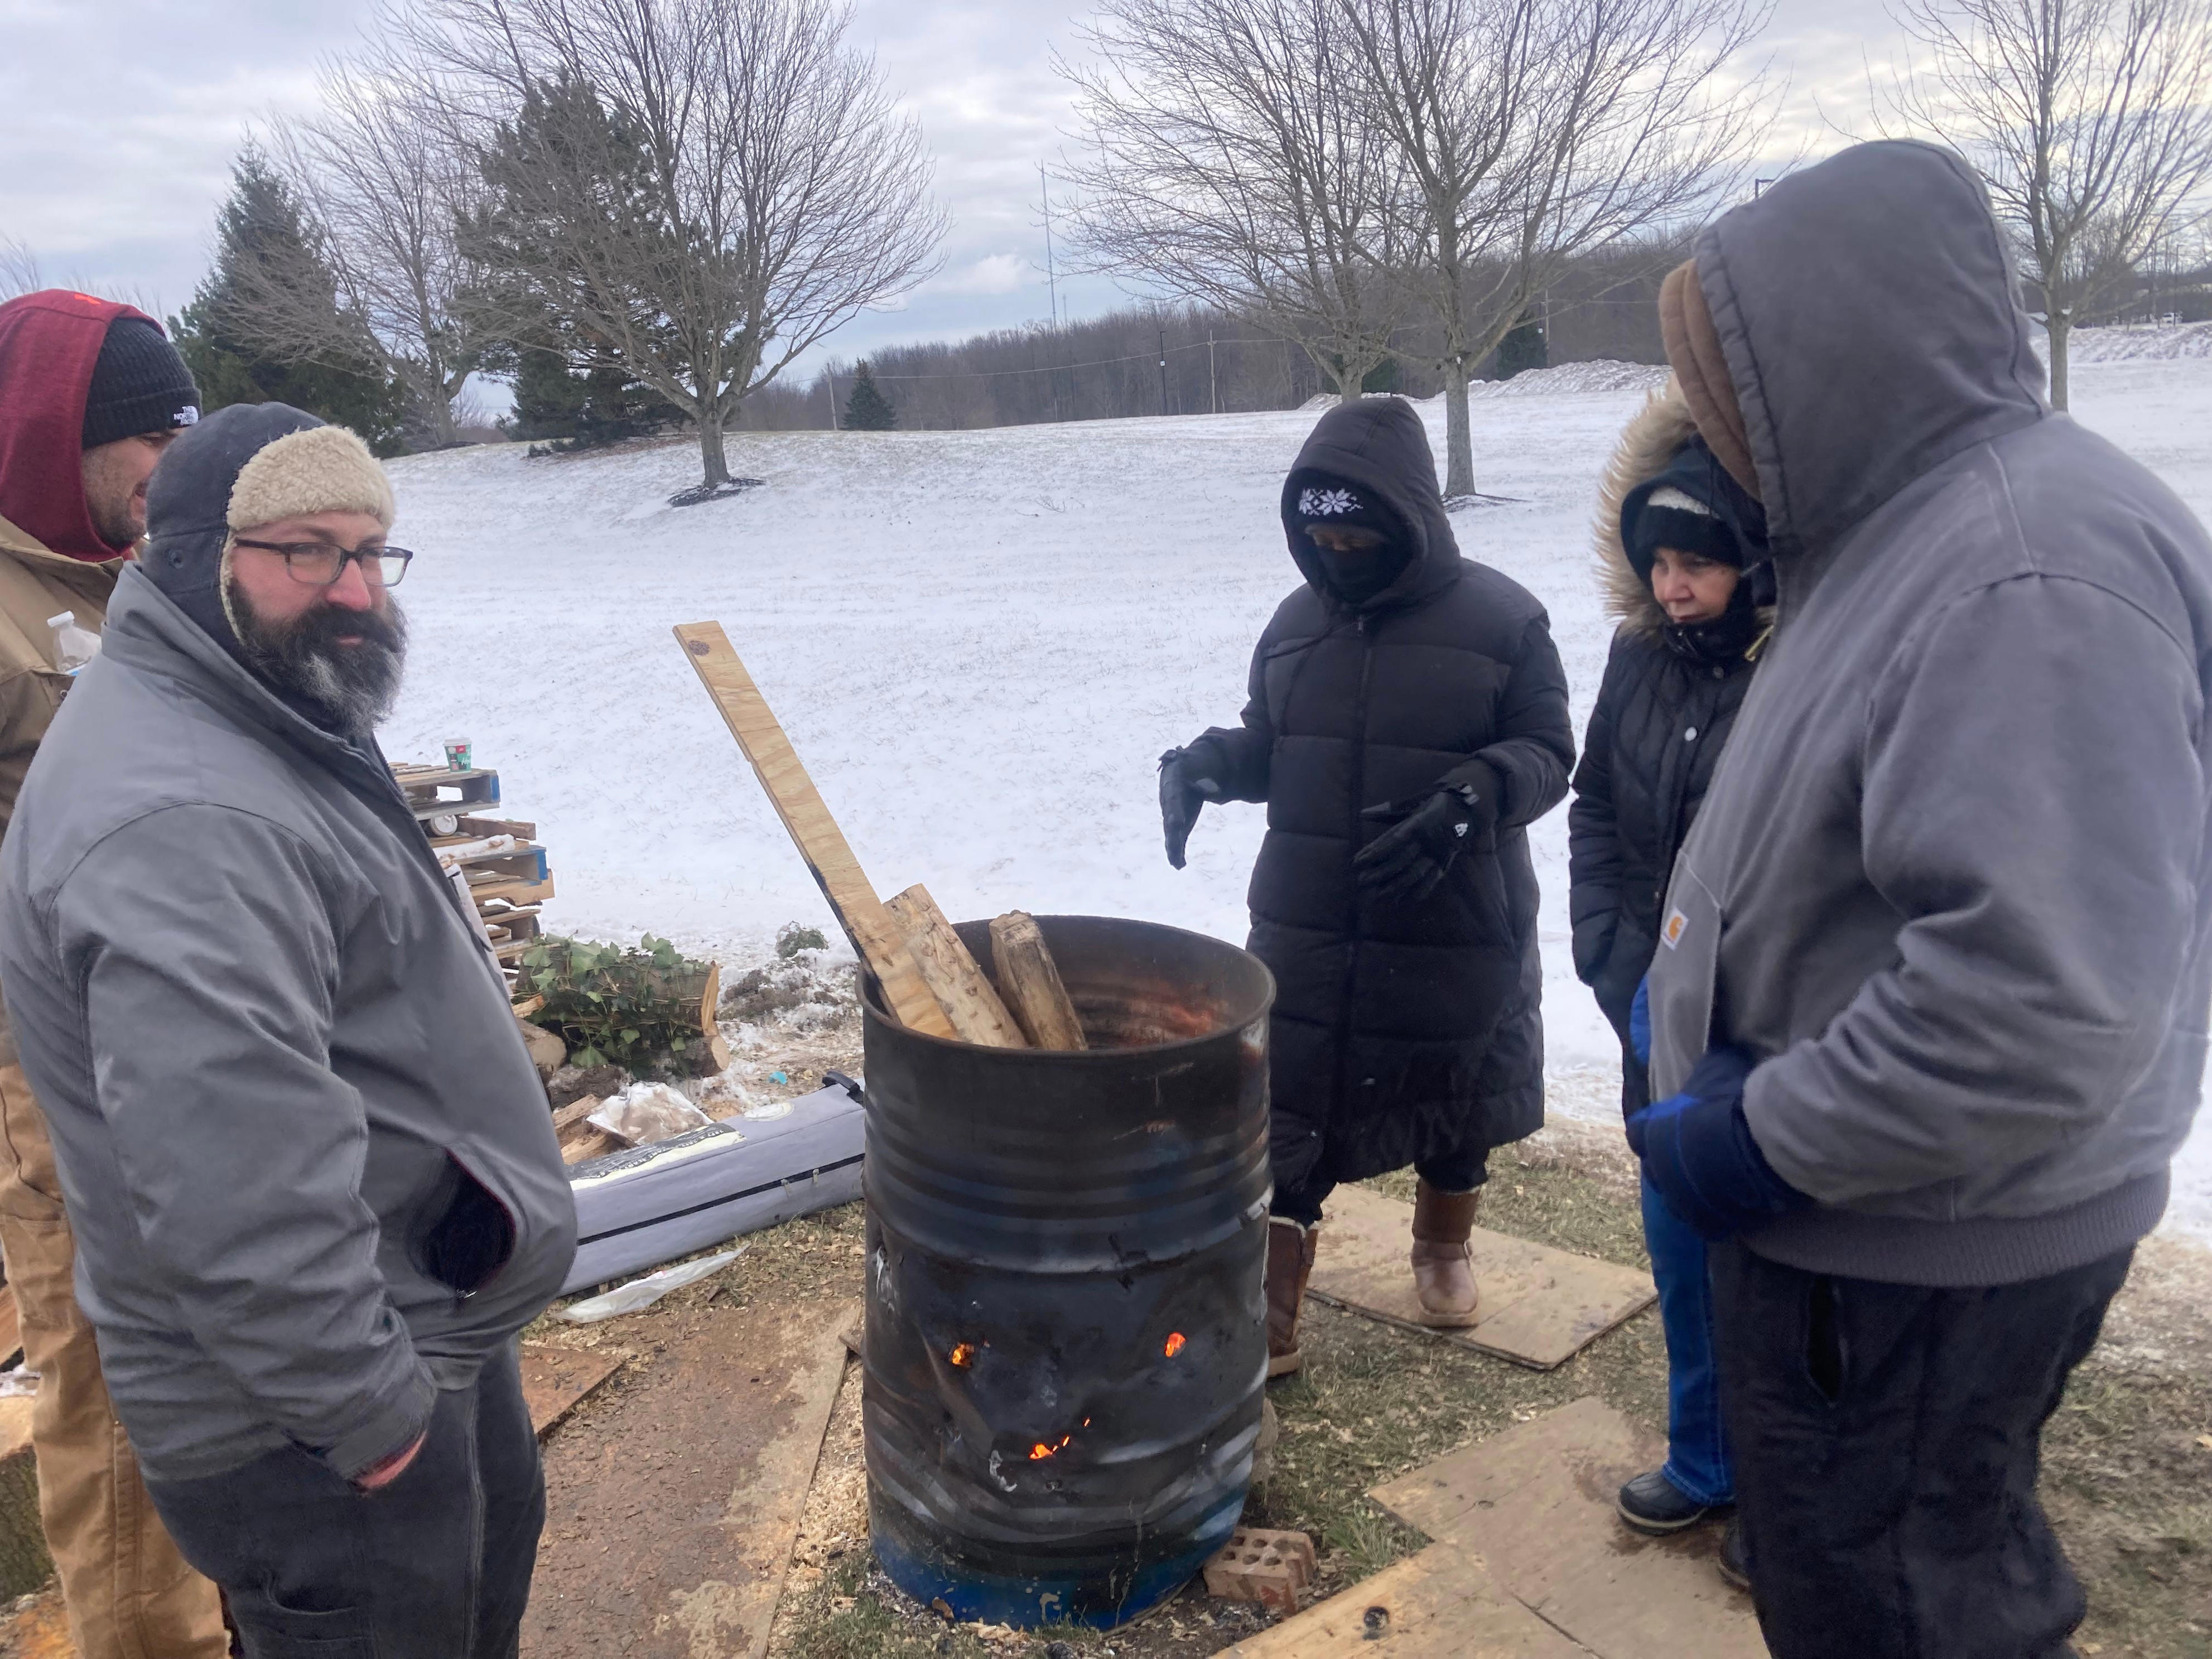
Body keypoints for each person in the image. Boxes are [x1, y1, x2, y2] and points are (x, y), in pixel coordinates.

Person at [1636, 139, 2212, 1658]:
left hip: (1914, 1243)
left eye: (1726, 379)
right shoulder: (1907, 528)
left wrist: (1759, 1136)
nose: (1709, 421)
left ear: (1822, 358)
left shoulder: (2022, 567)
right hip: (1882, 1221)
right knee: (1857, 1583)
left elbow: (2037, 997)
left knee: (1902, 1604)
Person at [0, 402, 579, 1658]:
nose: (357, 590)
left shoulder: (255, 705)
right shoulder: (183, 818)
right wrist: (373, 1416)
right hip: (315, 1413)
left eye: (373, 551)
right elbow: (228, 1189)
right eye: (307, 549)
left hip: (408, 1321)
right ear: (201, 556)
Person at [1160, 396, 1573, 1376]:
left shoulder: (1505, 618)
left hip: (1451, 912)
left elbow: (1550, 751)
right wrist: (1210, 762)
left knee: (1451, 1090)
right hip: (1307, 912)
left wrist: (1474, 793)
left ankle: (1442, 1243)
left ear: (1410, 517)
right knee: (1292, 1099)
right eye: (1320, 533)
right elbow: (1275, 742)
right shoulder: (1296, 625)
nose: (1338, 548)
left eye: (1358, 529)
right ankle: (1269, 1312)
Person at [0, 290, 228, 1659]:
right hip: (61, 1066)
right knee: (117, 1388)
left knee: (240, 1355)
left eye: (180, 426)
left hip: (202, 1042)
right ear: (49, 432)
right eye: (144, 432)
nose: (168, 460)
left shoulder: (146, 574)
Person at [1567, 383, 1767, 1576]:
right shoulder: (1639, 656)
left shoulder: (1797, 668)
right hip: (1652, 998)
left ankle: (1785, 1492)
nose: (1674, 584)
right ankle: (1704, 1460)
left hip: (1761, 1012)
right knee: (1677, 1247)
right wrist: (1612, 956)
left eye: (1701, 560)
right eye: (1659, 560)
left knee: (1777, 1265)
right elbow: (1597, 800)